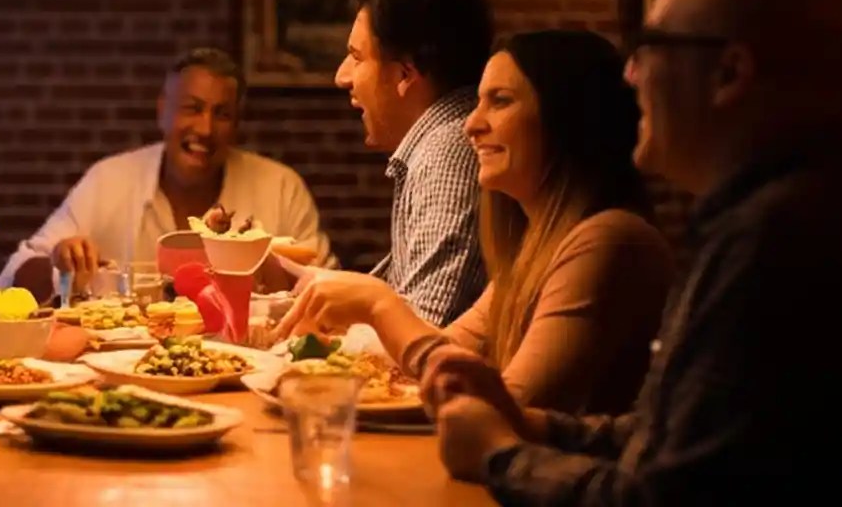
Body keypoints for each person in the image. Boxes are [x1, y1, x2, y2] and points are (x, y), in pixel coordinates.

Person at [422, 0, 842, 502]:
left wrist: (502, 456)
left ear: (729, 73)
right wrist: (530, 425)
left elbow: (664, 498)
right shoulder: (770, 214)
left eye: (649, 48)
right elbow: (662, 434)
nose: (631, 76)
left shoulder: (779, 241)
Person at [280, 30, 674, 414]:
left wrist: (379, 305)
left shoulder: (609, 239)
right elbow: (447, 352)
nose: (471, 124)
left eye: (500, 102)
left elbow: (508, 409)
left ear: (568, 119)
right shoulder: (534, 246)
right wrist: (355, 317)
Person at [0, 47, 336, 299]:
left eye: (222, 114)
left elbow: (332, 289)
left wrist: (276, 276)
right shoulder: (109, 180)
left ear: (237, 124)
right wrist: (60, 265)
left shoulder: (280, 187)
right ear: (163, 110)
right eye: (192, 108)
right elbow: (14, 275)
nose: (205, 129)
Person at [333, 0, 492, 325]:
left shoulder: (448, 151)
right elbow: (395, 293)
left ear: (405, 74)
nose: (342, 76)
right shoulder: (432, 145)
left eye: (357, 58)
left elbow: (424, 325)